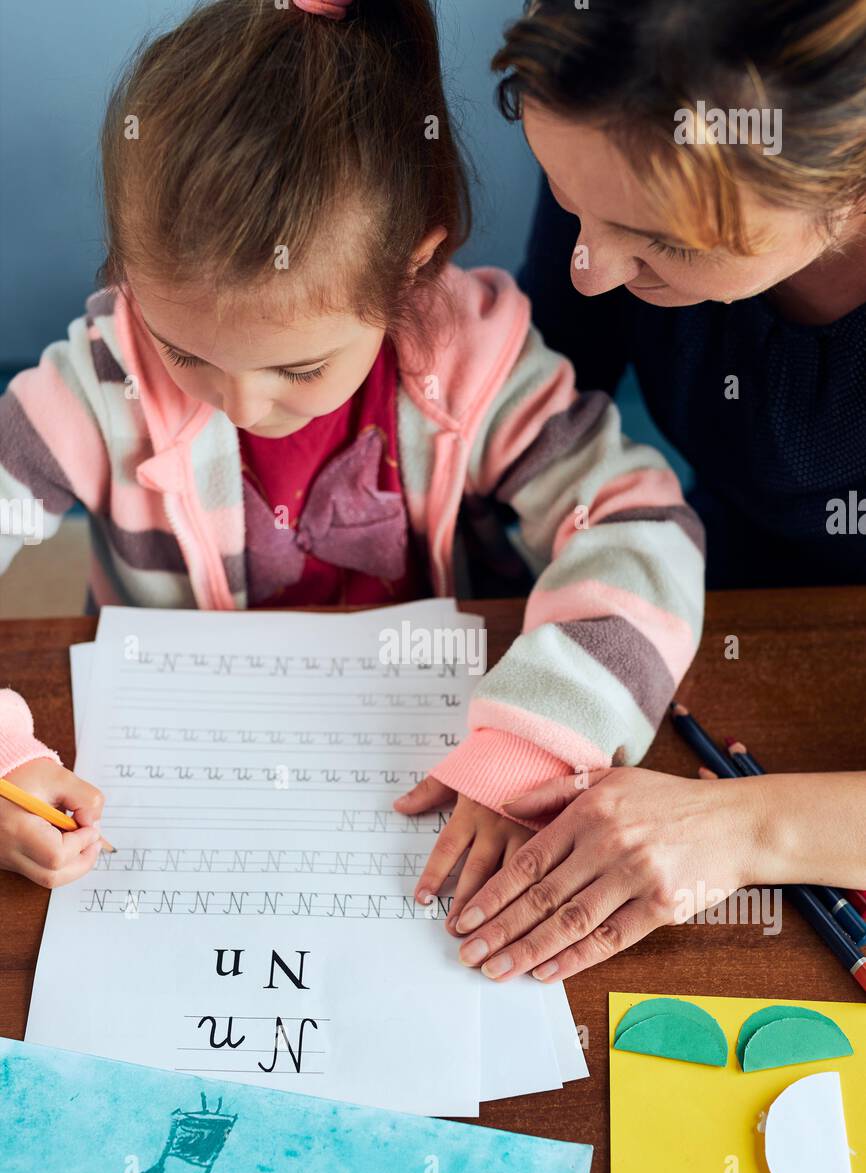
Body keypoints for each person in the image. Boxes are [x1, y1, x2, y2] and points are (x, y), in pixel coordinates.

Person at [0, 0, 703, 901]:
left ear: (411, 270)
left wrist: (538, 742)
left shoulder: (473, 359)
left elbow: (644, 526)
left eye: (298, 365)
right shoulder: (105, 379)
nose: (244, 405)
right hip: (178, 787)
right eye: (185, 352)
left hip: (407, 777)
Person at [445, 0, 866, 986]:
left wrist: (744, 830)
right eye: (566, 198)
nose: (588, 270)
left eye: (653, 243)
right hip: (716, 614)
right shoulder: (628, 138)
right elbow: (544, 383)